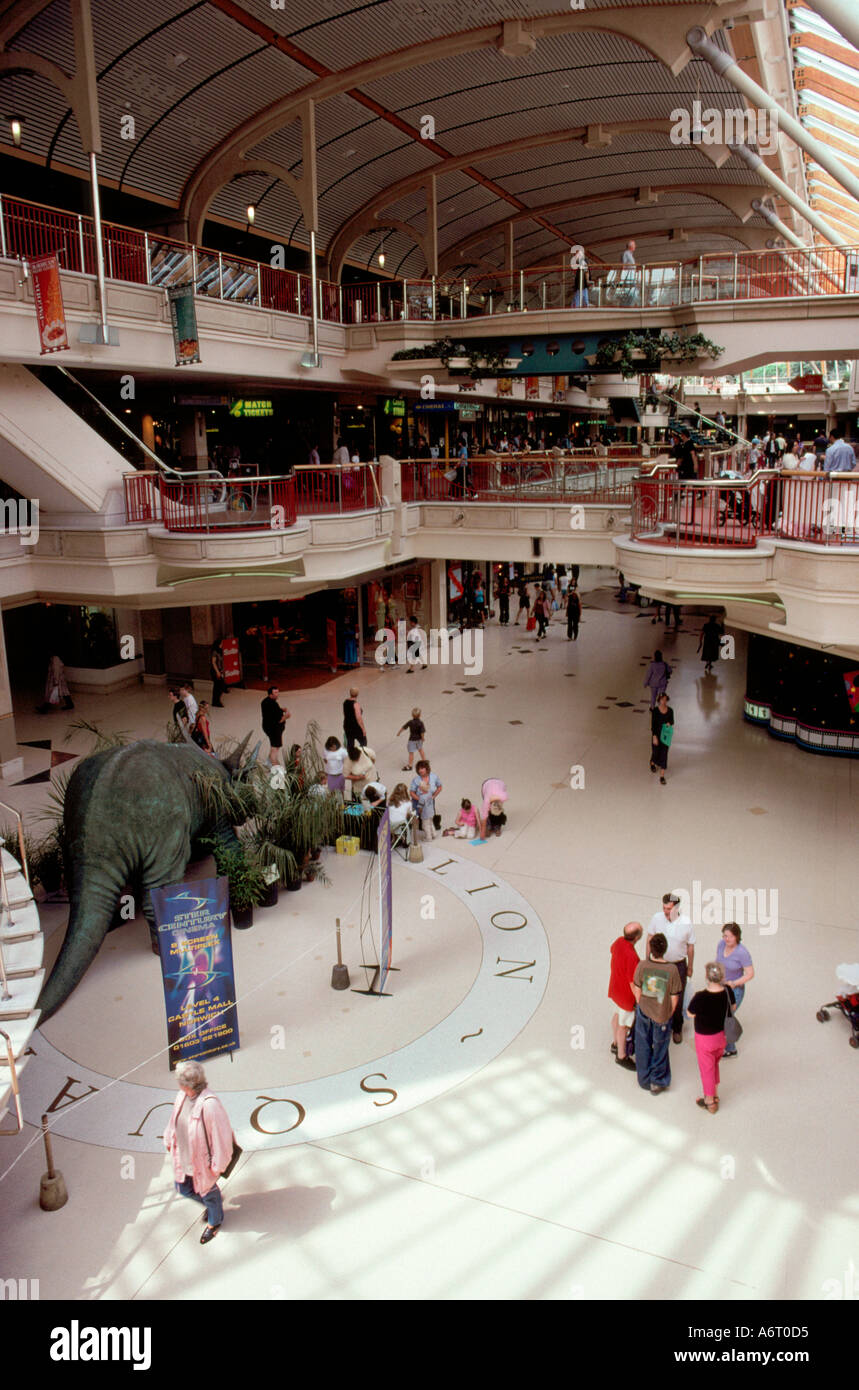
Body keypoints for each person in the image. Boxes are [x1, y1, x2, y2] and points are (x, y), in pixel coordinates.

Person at [164, 1060, 235, 1245]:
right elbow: (174, 1119)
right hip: (183, 1156)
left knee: (208, 1192)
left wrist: (216, 1167)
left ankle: (215, 1220)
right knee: (183, 1188)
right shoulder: (181, 1096)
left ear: (187, 1084)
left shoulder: (210, 1105)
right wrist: (169, 1137)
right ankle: (214, 1204)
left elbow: (222, 1138)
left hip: (201, 1162)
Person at [631, 933, 681, 1094]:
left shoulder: (643, 965)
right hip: (662, 1016)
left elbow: (637, 991)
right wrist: (668, 1013)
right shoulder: (672, 970)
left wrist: (642, 1005)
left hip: (644, 1011)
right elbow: (674, 997)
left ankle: (643, 1079)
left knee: (643, 1044)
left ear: (651, 949)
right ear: (665, 949)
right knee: (660, 1048)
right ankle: (657, 1082)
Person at [646, 891, 695, 1044]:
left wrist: (690, 966)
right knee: (658, 994)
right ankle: (658, 1024)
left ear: (677, 908)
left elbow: (690, 947)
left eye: (669, 909)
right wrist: (647, 959)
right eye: (664, 908)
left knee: (677, 998)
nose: (666, 911)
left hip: (678, 965)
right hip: (660, 963)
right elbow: (650, 937)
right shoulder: (657, 918)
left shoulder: (686, 923)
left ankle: (677, 1027)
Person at [687, 962, 736, 1114]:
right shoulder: (727, 991)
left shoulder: (700, 997)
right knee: (714, 1064)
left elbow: (690, 1014)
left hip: (704, 1040)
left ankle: (710, 1101)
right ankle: (715, 1092)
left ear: (707, 977)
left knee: (706, 1069)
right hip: (722, 1037)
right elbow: (733, 1007)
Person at [715, 921, 755, 1056]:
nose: (726, 939)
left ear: (737, 936)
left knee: (725, 1018)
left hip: (734, 990)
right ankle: (726, 1045)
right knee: (723, 1017)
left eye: (729, 937)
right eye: (724, 936)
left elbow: (750, 974)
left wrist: (735, 983)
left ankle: (730, 1049)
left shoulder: (742, 953)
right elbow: (718, 962)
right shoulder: (721, 945)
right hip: (721, 986)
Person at [608, 921, 643, 1071]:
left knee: (617, 1015)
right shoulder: (632, 956)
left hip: (615, 988)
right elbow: (632, 983)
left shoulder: (619, 941)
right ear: (637, 937)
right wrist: (639, 1000)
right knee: (623, 1025)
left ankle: (615, 1043)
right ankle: (621, 1056)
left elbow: (612, 951)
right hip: (626, 997)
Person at [410, 759, 442, 840]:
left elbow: (440, 786)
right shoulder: (416, 780)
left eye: (422, 768)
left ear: (426, 768)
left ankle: (428, 837)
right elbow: (411, 792)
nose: (420, 770)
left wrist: (433, 796)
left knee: (425, 825)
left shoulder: (434, 777)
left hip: (425, 810)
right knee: (430, 822)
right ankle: (434, 834)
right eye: (419, 769)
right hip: (428, 807)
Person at [260, 685, 289, 766]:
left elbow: (272, 712)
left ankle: (268, 761)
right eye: (275, 693)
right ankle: (275, 766)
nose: (277, 694)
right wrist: (286, 716)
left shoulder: (266, 701)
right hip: (274, 729)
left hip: (268, 727)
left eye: (278, 692)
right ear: (270, 694)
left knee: (275, 745)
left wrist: (281, 710)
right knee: (275, 749)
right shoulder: (273, 704)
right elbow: (279, 720)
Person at [650, 690, 674, 785]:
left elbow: (672, 721)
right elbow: (653, 725)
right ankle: (652, 762)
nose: (663, 701)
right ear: (659, 700)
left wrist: (669, 723)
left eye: (665, 700)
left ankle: (662, 776)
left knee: (664, 754)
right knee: (656, 753)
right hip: (657, 734)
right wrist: (654, 736)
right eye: (661, 700)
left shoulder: (670, 711)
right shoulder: (655, 711)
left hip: (665, 736)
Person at [398, 707, 426, 771]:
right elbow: (422, 732)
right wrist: (422, 738)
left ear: (412, 715)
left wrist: (399, 733)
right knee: (420, 749)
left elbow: (404, 727)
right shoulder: (421, 723)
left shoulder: (410, 722)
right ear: (420, 715)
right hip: (419, 740)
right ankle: (424, 761)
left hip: (412, 740)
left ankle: (410, 765)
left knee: (411, 752)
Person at [343, 687, 367, 756]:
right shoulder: (355, 704)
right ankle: (360, 754)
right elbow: (359, 718)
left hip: (347, 726)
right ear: (357, 694)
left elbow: (344, 714)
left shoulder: (345, 702)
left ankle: (351, 756)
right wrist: (363, 729)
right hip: (356, 727)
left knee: (350, 743)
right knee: (363, 742)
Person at [210, 641, 228, 708]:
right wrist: (217, 671)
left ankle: (216, 700)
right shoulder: (215, 652)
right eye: (221, 644)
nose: (222, 645)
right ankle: (216, 701)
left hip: (220, 670)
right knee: (218, 686)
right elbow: (213, 662)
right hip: (215, 671)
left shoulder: (220, 651)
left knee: (219, 686)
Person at [620, 239, 638, 304]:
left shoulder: (630, 254)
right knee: (631, 292)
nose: (635, 246)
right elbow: (623, 265)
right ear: (630, 246)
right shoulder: (626, 253)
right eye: (634, 245)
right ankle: (628, 305)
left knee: (633, 292)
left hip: (632, 276)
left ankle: (630, 304)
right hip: (628, 276)